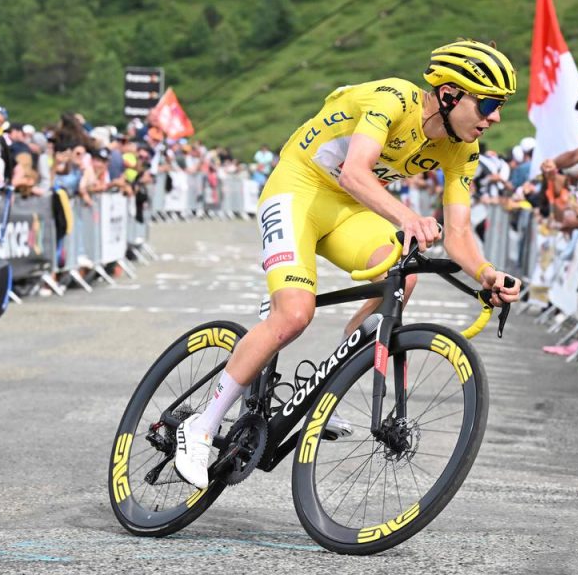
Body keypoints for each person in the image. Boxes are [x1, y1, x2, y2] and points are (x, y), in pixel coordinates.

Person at [175, 39, 523, 489]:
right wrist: (409, 218)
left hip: (347, 210)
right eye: (489, 104)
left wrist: (487, 274)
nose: (495, 117)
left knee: (402, 277)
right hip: (299, 188)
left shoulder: (461, 149)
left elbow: (458, 234)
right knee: (295, 315)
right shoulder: (393, 99)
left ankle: (330, 387)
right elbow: (355, 172)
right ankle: (200, 426)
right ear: (452, 94)